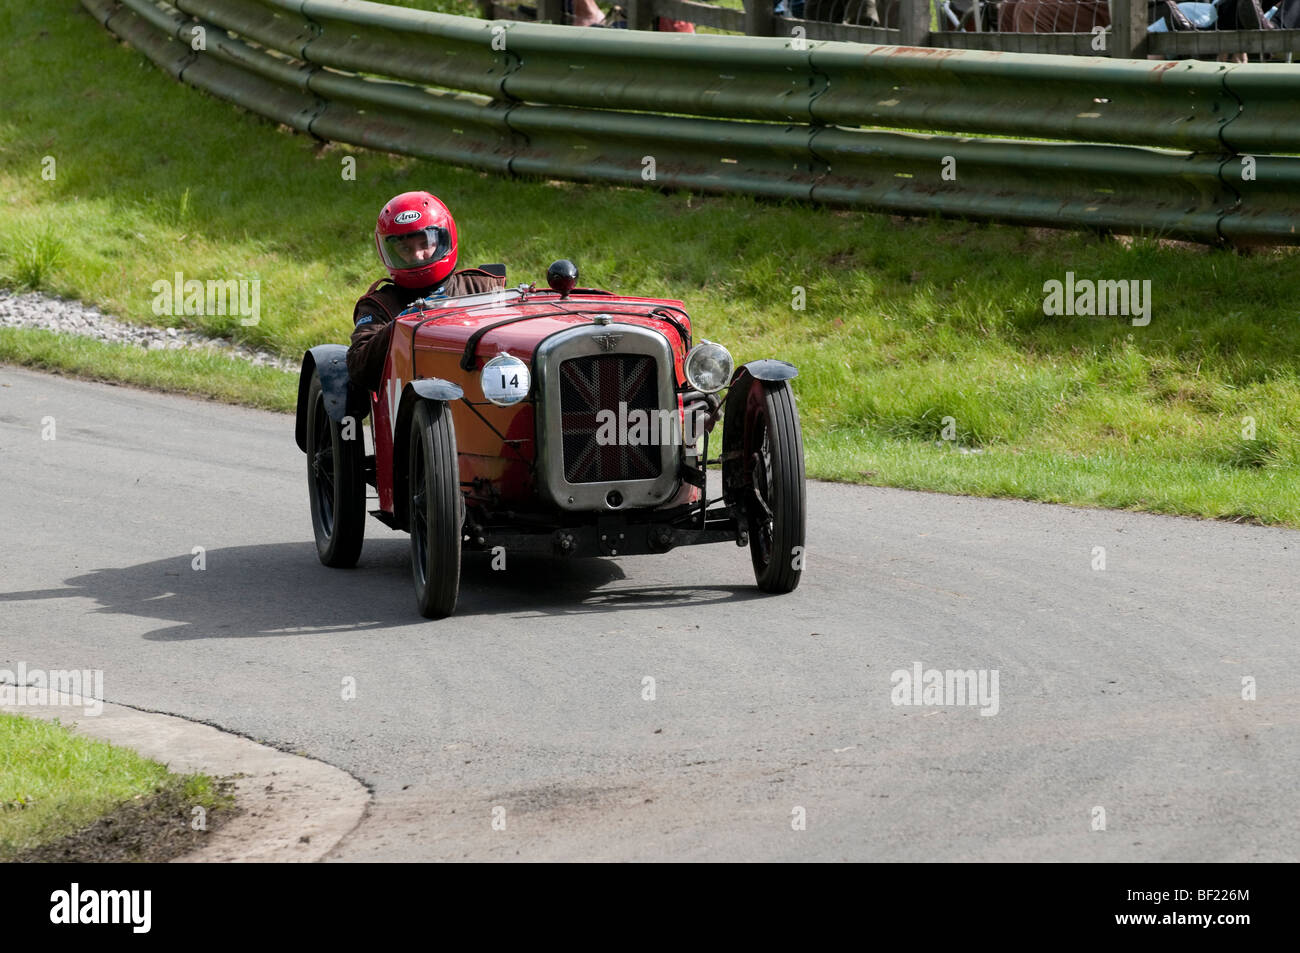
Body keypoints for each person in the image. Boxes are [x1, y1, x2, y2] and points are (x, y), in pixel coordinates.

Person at [347, 191, 505, 392]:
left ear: (443, 240)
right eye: (405, 249)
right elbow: (359, 371)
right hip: (413, 405)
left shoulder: (483, 287)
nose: (417, 256)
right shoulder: (379, 305)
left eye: (424, 244)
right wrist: (399, 327)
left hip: (483, 394)